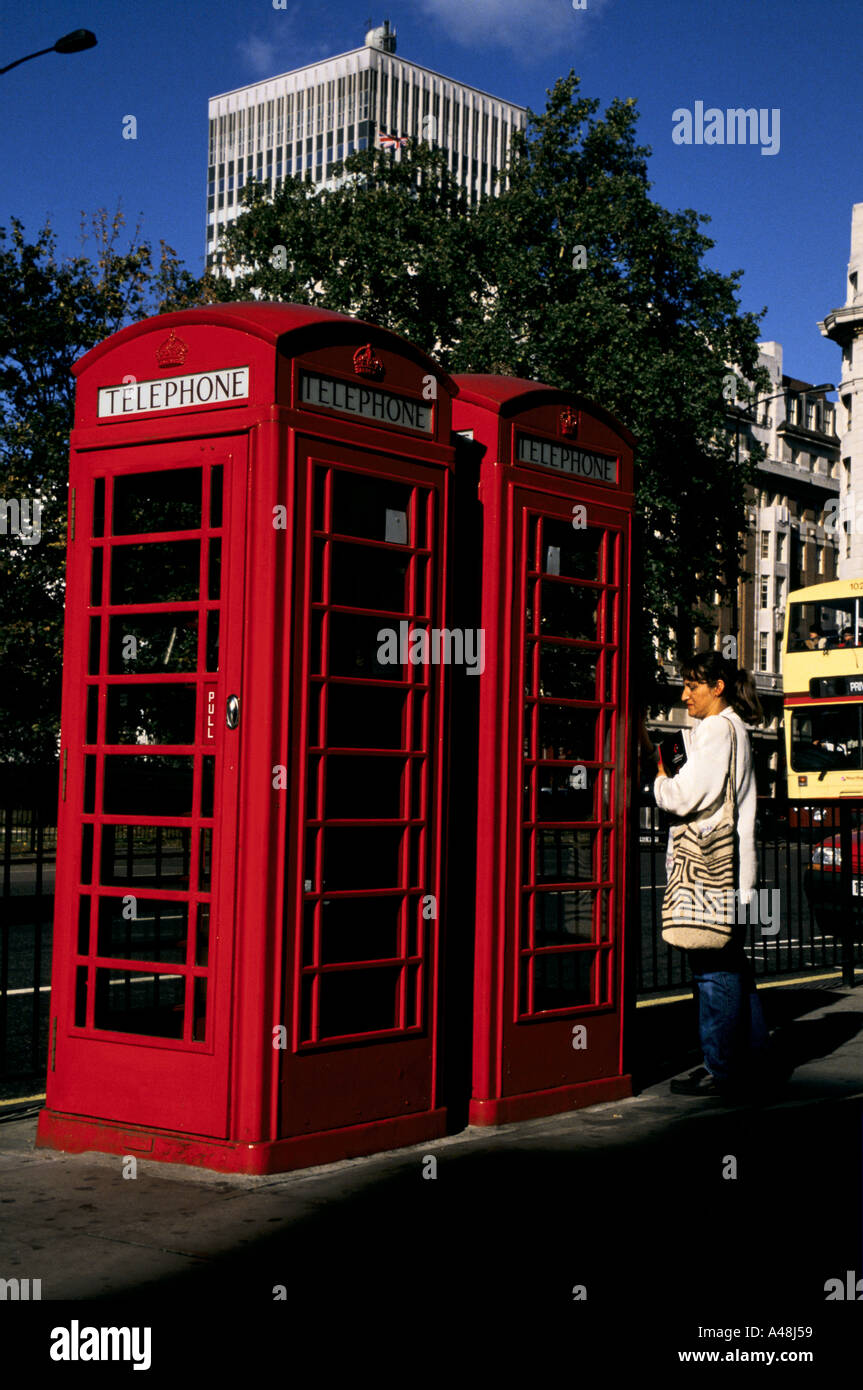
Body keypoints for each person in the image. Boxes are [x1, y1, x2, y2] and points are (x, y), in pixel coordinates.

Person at [642, 653, 772, 1100]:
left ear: (717, 687)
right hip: (733, 870)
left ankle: (723, 1071)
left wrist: (659, 782)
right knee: (732, 964)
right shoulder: (732, 727)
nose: (684, 695)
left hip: (710, 873)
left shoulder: (717, 729)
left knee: (712, 971)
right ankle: (750, 1061)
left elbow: (686, 795)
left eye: (692, 687)